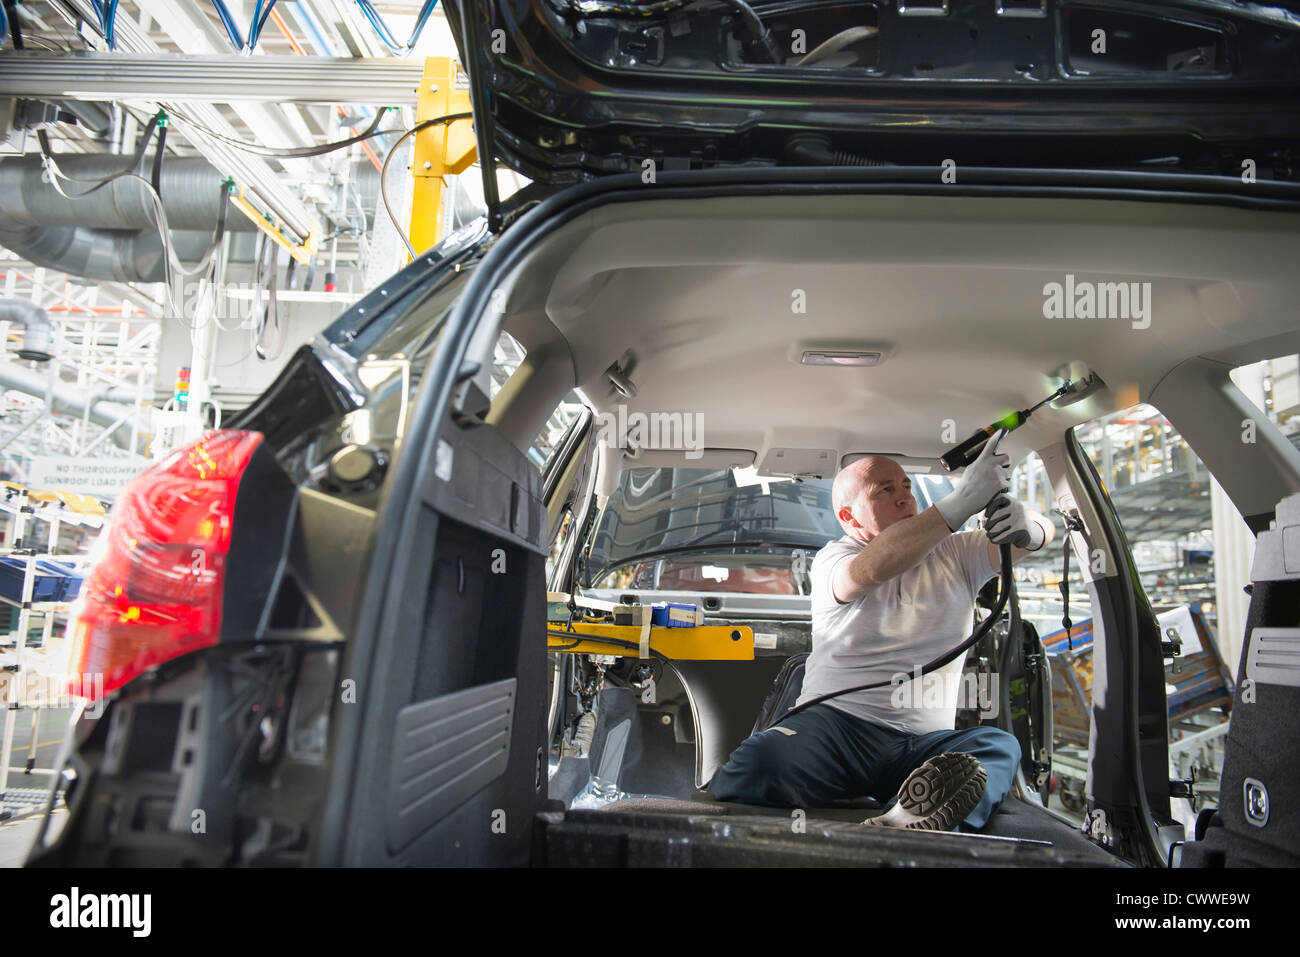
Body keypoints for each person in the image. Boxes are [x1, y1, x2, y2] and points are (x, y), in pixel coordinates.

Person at [706, 429, 1055, 831]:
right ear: (849, 518)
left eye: (907, 486)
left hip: (924, 743)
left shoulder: (959, 553)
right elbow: (871, 568)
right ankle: (912, 813)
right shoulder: (834, 559)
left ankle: (908, 819)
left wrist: (1029, 526)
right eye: (884, 490)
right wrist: (958, 504)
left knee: (996, 748)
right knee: (757, 763)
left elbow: (1041, 536)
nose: (905, 496)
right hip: (838, 726)